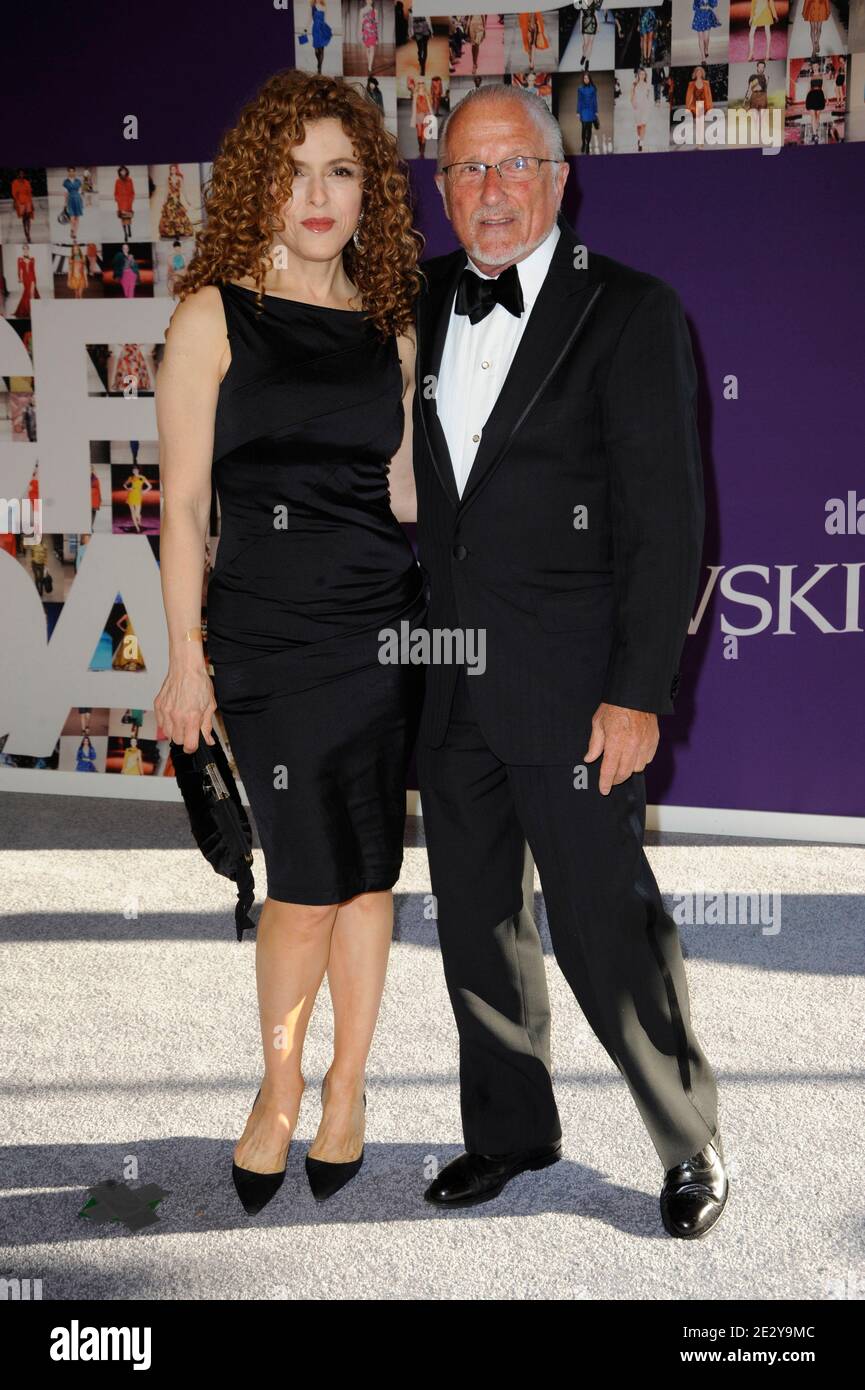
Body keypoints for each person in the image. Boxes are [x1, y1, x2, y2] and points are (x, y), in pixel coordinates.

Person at [411, 83, 727, 1238]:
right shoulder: (418, 301)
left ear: (556, 179)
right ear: (440, 191)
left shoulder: (633, 312)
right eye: (464, 171)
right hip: (449, 683)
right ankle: (508, 1127)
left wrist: (639, 692)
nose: (487, 192)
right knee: (475, 921)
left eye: (509, 167)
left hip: (575, 689)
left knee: (606, 925)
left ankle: (688, 1138)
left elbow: (664, 523)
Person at [153, 69, 427, 1216]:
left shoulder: (390, 322)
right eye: (293, 171)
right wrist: (184, 656)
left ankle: (348, 1090)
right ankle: (278, 1086)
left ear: (369, 191)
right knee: (303, 885)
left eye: (340, 171)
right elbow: (178, 507)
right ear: (258, 189)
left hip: (383, 634)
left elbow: (407, 497)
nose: (316, 195)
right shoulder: (213, 313)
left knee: (369, 876)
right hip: (266, 638)